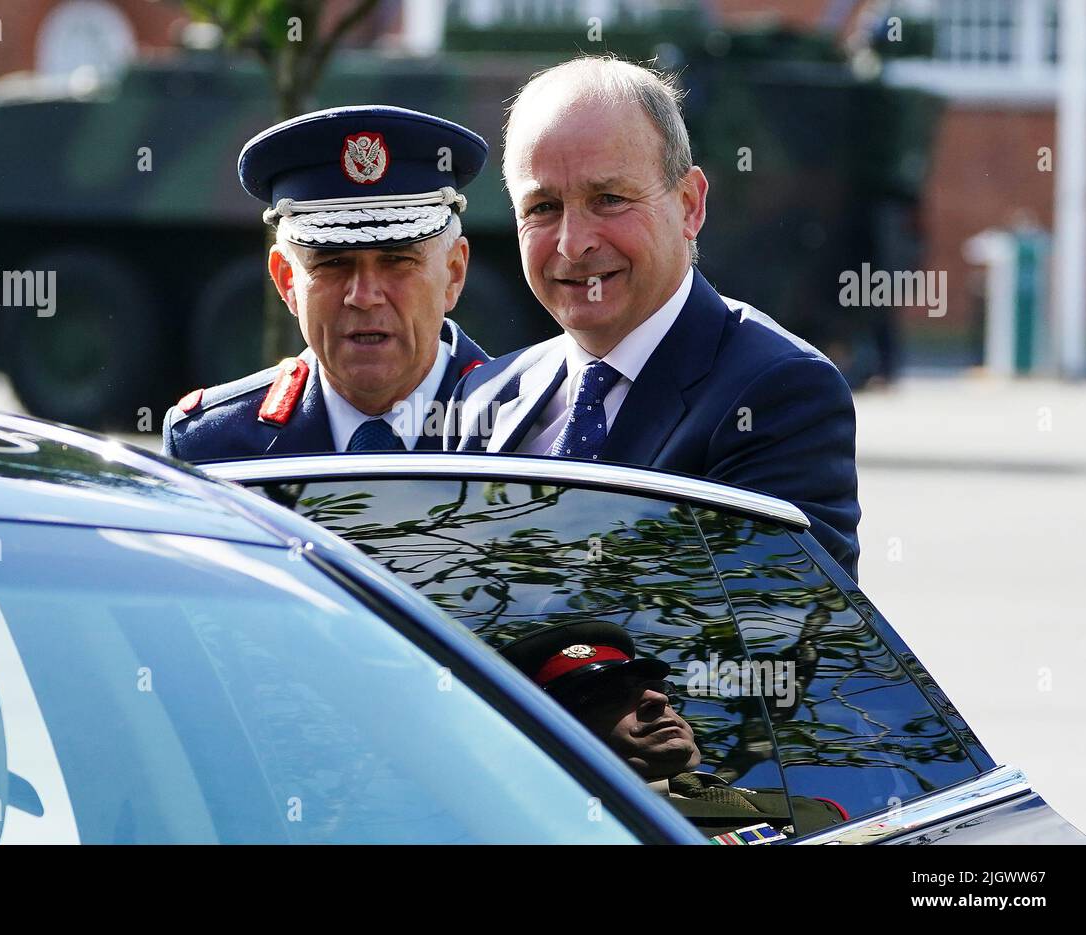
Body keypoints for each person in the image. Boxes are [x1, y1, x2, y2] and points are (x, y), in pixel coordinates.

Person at [447, 57, 861, 579]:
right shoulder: (487, 397)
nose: (574, 244)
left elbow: (773, 627)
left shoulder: (779, 394)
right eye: (543, 208)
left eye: (609, 199)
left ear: (689, 204)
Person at [164, 106, 490, 460]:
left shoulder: (527, 428)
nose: (364, 297)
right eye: (333, 263)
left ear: (454, 272)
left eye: (396, 261)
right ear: (287, 280)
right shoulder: (211, 445)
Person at [499, 620, 847, 842]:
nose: (656, 698)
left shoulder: (804, 805)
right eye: (614, 695)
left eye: (656, 686)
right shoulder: (576, 832)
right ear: (557, 734)